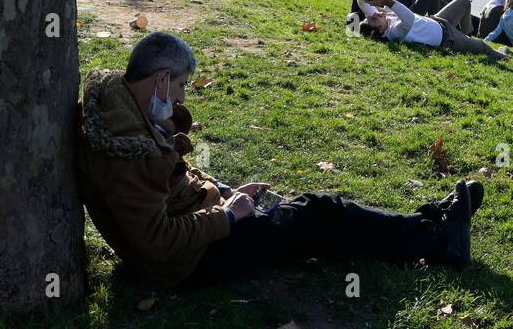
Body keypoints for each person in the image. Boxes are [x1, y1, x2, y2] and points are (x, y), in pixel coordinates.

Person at [75, 32, 481, 289]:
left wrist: (226, 193)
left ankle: (427, 226)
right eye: (180, 85)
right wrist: (229, 216)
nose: (181, 97)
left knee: (312, 221)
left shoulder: (122, 112)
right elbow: (156, 241)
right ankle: (438, 240)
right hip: (190, 262)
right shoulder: (125, 148)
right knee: (319, 213)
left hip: (201, 231)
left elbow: (173, 182)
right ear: (161, 79)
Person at [357, 0, 510, 61]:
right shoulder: (395, 32)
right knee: (482, 47)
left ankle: (468, 37)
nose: (376, 14)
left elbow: (361, 2)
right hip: (447, 38)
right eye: (374, 18)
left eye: (372, 14)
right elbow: (409, 18)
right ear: (381, 30)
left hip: (439, 21)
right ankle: (506, 57)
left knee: (464, 1)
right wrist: (386, 1)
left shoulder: (386, 19)